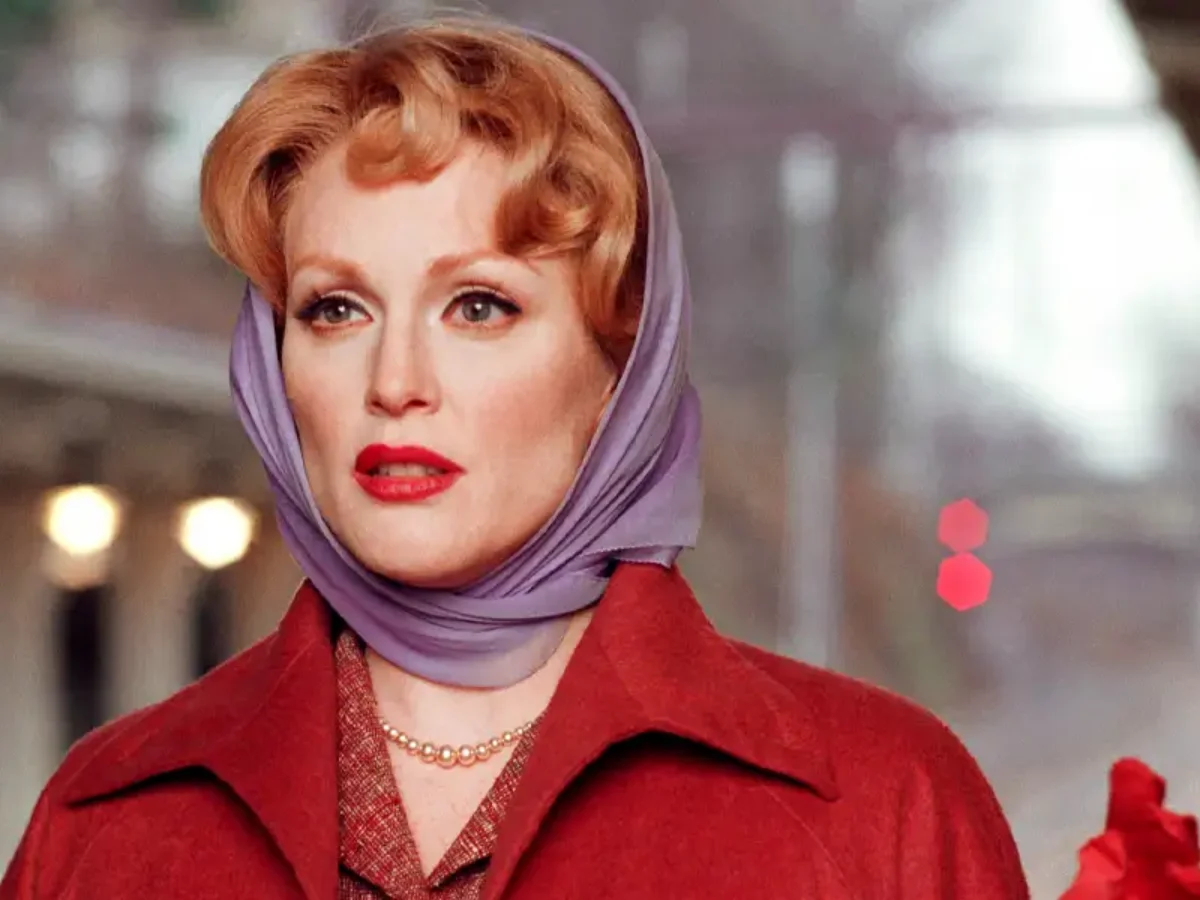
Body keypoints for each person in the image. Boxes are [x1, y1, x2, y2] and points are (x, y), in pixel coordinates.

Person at [0, 16, 1030, 900]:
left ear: (620, 368)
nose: (395, 380)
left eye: (479, 306)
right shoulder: (105, 823)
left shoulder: (883, 809)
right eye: (336, 309)